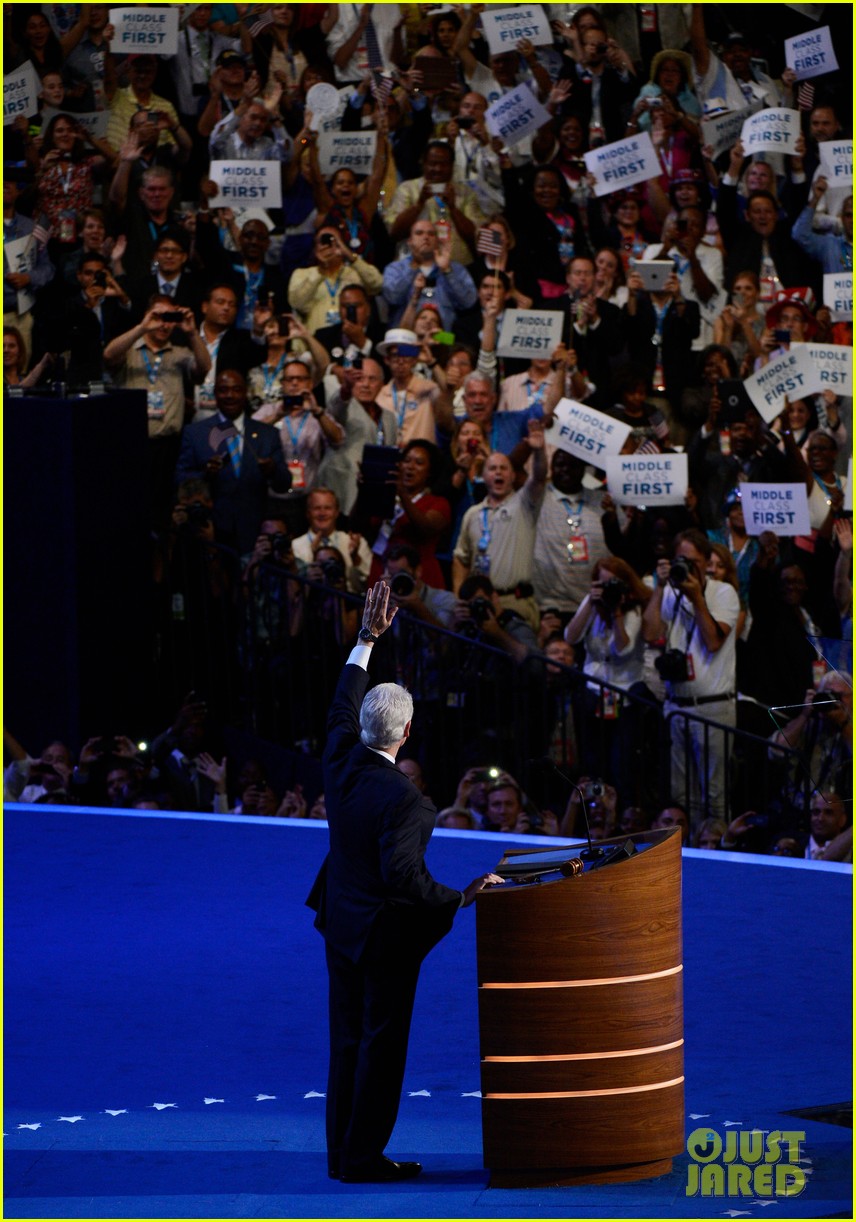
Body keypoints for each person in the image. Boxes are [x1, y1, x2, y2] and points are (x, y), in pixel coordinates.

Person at [305, 580, 501, 1182]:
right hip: (383, 940)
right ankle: (363, 1158)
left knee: (346, 1041)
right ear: (407, 733)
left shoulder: (339, 757)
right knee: (380, 1045)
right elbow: (406, 879)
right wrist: (461, 897)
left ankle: (342, 1154)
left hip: (340, 923)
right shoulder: (408, 802)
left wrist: (367, 639)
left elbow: (341, 701)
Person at [642, 529, 740, 826]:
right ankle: (685, 849)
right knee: (682, 796)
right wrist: (660, 587)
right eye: (681, 560)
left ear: (706, 562)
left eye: (693, 562)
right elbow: (650, 633)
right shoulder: (669, 592)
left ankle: (715, 846)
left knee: (714, 794)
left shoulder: (723, 592)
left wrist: (696, 596)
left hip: (712, 707)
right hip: (676, 706)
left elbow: (713, 641)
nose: (686, 567)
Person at [175, 368, 291, 555]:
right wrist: (205, 475)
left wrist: (272, 470)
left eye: (236, 390)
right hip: (210, 532)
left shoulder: (267, 434)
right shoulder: (195, 433)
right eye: (223, 390)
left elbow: (284, 484)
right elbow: (180, 479)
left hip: (254, 531)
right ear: (215, 394)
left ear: (245, 393)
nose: (230, 395)